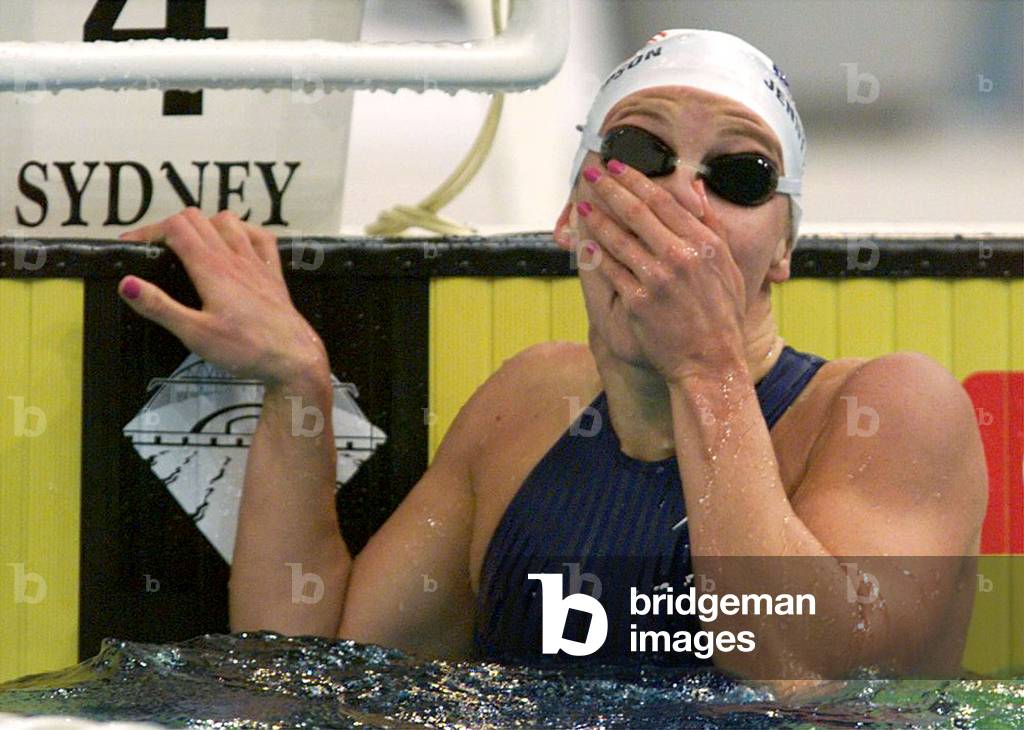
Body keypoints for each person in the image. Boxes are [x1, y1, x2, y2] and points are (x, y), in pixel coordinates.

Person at [115, 29, 987, 686]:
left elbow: (810, 677)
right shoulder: (530, 407)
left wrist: (706, 370)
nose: (683, 193)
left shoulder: (888, 410)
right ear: (572, 216)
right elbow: (312, 677)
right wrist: (293, 381)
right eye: (641, 152)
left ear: (784, 250)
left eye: (741, 174)